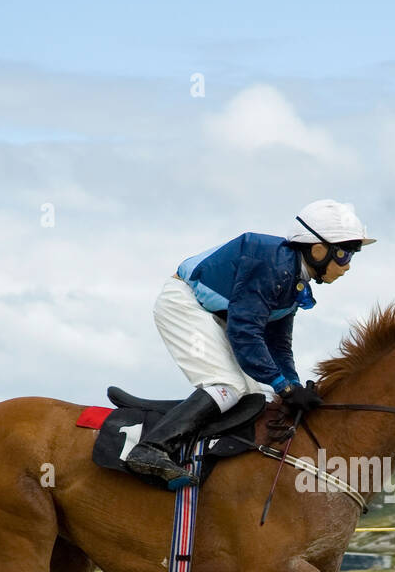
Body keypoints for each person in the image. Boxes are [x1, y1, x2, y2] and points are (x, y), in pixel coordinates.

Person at [125, 200, 375, 483]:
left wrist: (291, 385)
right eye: (344, 255)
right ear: (318, 250)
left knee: (254, 396)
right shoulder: (272, 266)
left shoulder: (294, 278)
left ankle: (202, 456)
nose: (347, 266)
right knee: (228, 386)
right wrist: (285, 387)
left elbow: (278, 344)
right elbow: (245, 333)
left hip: (216, 316)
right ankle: (151, 448)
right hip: (183, 304)